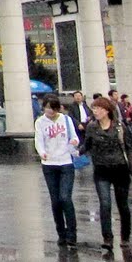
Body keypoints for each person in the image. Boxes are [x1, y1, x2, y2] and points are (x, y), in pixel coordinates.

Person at [80, 95, 132, 252]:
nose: (96, 111)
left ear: (107, 111)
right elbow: (87, 145)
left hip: (120, 169)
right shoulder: (92, 127)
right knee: (105, 204)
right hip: (101, 170)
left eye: (98, 109)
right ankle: (107, 237)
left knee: (122, 205)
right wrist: (76, 150)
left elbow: (129, 148)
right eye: (94, 109)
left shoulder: (120, 127)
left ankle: (125, 237)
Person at [34, 97, 80, 249]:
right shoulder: (40, 122)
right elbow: (39, 140)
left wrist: (74, 142)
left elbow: (74, 137)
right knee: (56, 200)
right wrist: (42, 152)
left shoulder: (66, 120)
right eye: (46, 108)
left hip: (66, 162)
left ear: (58, 108)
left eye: (52, 108)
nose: (49, 111)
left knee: (65, 197)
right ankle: (61, 233)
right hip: (49, 164)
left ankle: (72, 234)